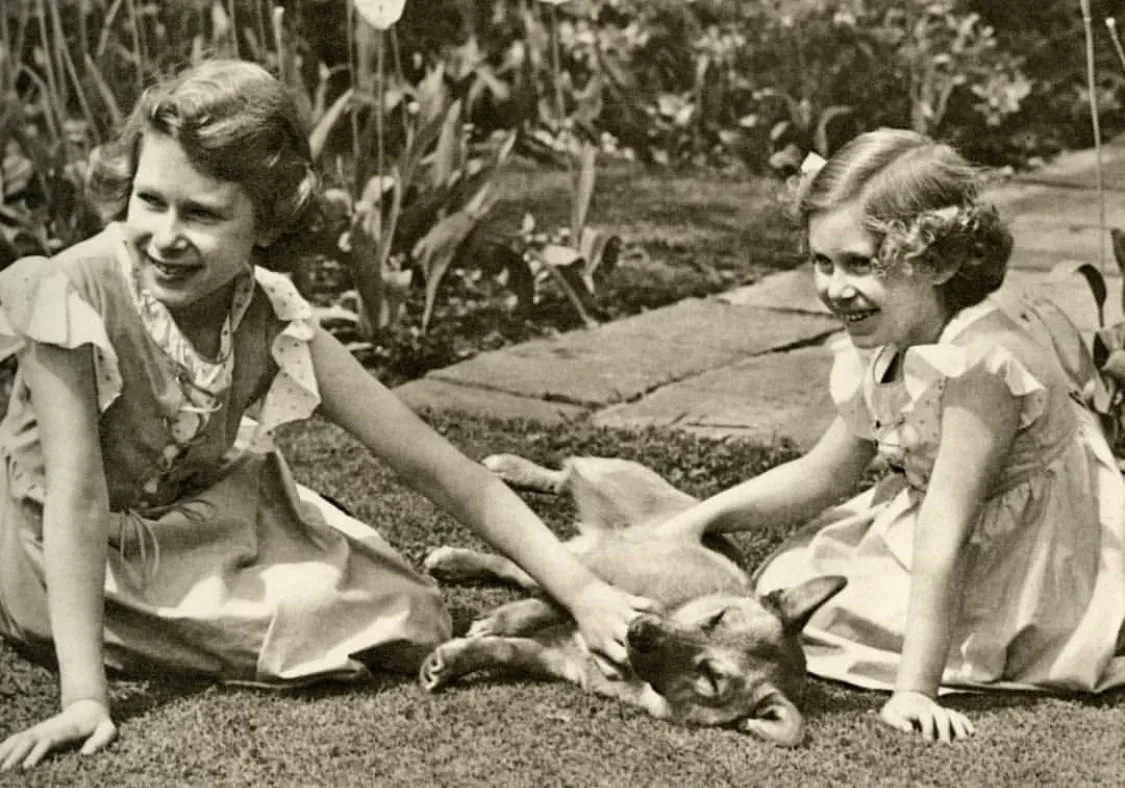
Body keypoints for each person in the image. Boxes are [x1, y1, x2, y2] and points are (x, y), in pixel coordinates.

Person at [0, 58, 653, 771]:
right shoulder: (71, 293)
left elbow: (433, 465)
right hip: (61, 550)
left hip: (195, 522)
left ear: (269, 220)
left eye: (203, 213)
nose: (164, 236)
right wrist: (84, 697)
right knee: (314, 618)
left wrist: (585, 593)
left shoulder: (268, 313)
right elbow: (76, 498)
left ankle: (260, 576)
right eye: (150, 201)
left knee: (413, 612)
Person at [644, 129, 1125, 742]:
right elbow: (824, 473)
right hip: (943, 520)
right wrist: (695, 520)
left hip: (1028, 547)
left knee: (850, 625)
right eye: (823, 262)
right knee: (788, 585)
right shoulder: (888, 337)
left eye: (860, 265)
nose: (835, 287)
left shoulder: (982, 366)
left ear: (942, 263)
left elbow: (946, 530)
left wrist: (915, 691)